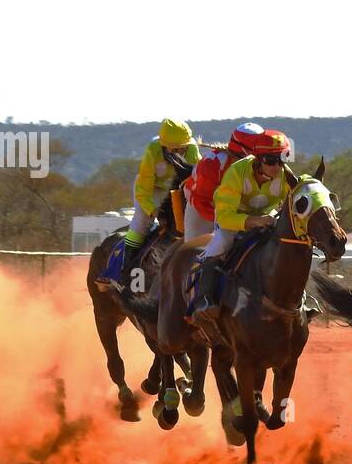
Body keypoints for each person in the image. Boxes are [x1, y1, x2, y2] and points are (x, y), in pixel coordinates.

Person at [187, 129, 295, 322]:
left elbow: (298, 192)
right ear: (258, 159)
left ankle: (299, 300)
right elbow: (224, 217)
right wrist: (257, 221)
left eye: (282, 159)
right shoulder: (236, 172)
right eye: (270, 160)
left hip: (266, 218)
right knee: (222, 242)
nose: (277, 166)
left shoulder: (285, 175)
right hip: (232, 218)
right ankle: (204, 299)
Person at [101, 119, 201, 288]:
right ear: (165, 145)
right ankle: (119, 271)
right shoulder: (153, 150)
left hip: (176, 188)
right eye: (177, 148)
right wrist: (153, 210)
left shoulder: (191, 149)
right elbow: (143, 190)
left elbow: (198, 180)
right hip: (151, 189)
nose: (182, 151)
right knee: (141, 223)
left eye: (184, 147)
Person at [182, 122, 266, 241]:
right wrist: (231, 222)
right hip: (203, 208)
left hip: (236, 207)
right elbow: (201, 201)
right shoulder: (212, 164)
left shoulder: (264, 166)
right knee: (197, 247)